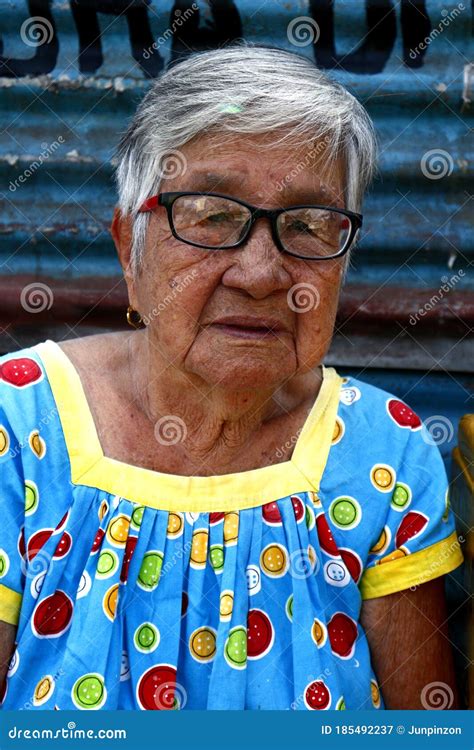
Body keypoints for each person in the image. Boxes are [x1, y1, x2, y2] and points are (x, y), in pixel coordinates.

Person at [0, 43, 463, 711]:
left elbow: (424, 725)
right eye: (213, 215)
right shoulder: (18, 421)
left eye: (308, 225)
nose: (261, 274)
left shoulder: (383, 450)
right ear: (128, 246)